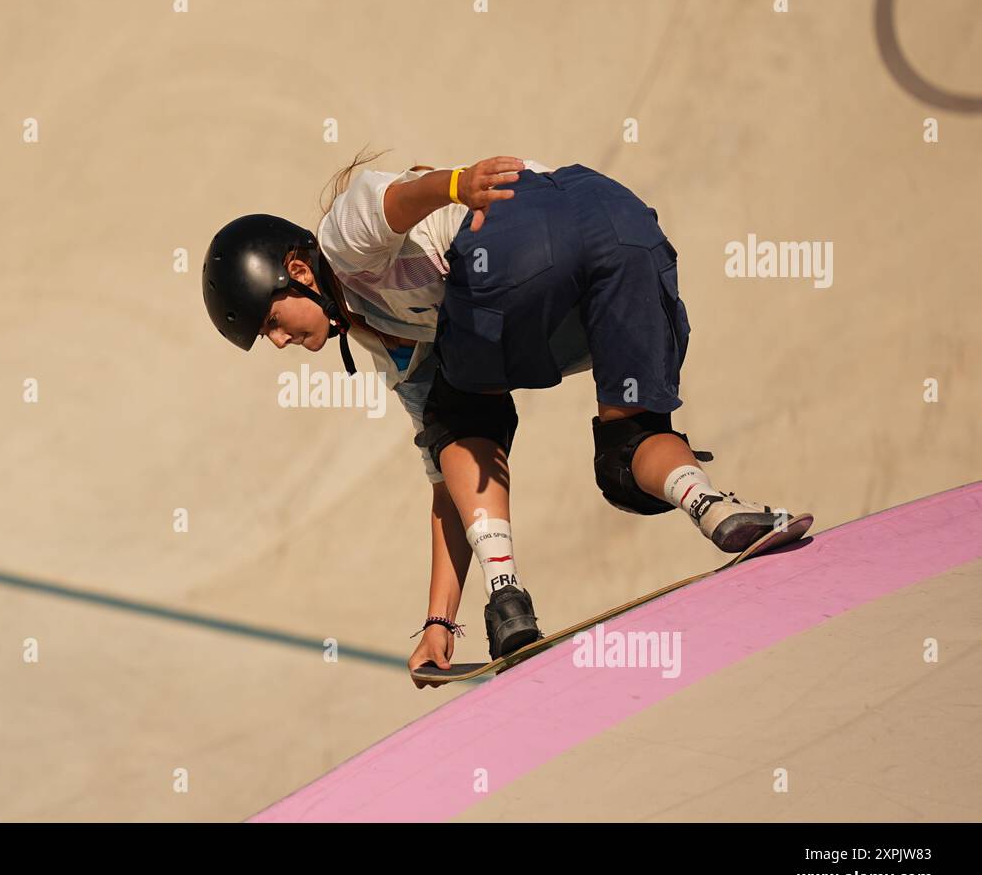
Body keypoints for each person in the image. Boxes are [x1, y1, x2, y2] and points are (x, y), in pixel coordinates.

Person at [202, 152, 808, 689]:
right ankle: (721, 512)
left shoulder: (339, 245)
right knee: (628, 448)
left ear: (299, 272)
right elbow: (448, 486)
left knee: (456, 407)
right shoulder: (392, 347)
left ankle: (506, 595)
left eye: (271, 322)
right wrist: (440, 619)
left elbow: (385, 202)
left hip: (517, 238)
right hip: (623, 227)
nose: (279, 341)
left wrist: (456, 184)